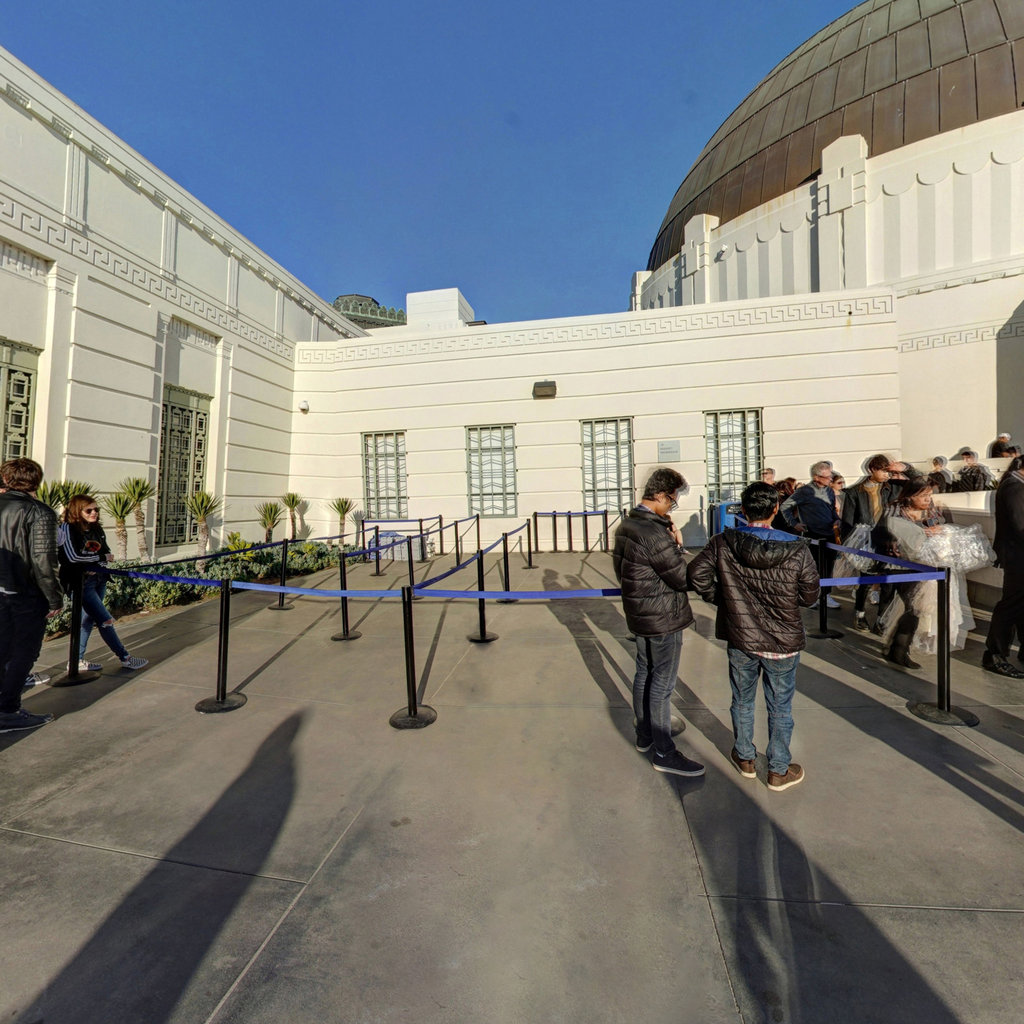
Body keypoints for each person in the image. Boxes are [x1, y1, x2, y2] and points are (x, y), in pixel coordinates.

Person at [687, 482, 819, 791]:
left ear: (743, 510)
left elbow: (696, 574)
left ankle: (745, 757)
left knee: (743, 699)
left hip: (741, 637)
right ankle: (778, 769)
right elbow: (810, 595)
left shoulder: (723, 542)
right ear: (775, 509)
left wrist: (722, 597)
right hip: (782, 641)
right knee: (780, 706)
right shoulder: (797, 547)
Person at [612, 467, 704, 778]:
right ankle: (664, 751)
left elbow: (621, 572)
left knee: (644, 673)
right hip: (663, 616)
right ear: (661, 496)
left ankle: (645, 733)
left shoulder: (627, 525)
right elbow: (681, 578)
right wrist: (678, 545)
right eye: (673, 501)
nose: (672, 507)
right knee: (662, 683)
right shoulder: (655, 533)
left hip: (639, 613)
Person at [0, 458, 62, 732]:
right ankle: (8, 711)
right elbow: (44, 560)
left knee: (3, 650)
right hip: (24, 593)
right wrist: (54, 598)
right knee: (25, 651)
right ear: (37, 480)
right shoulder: (40, 512)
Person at [58, 494, 148, 672]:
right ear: (77, 511)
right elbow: (72, 557)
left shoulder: (96, 529)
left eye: (96, 510)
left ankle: (76, 660)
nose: (94, 513)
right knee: (105, 620)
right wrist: (98, 558)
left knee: (87, 620)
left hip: (99, 579)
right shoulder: (68, 529)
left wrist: (98, 562)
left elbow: (107, 554)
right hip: (81, 583)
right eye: (89, 510)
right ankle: (125, 657)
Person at [874, 481, 945, 669]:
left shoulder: (931, 511)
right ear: (910, 496)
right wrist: (896, 541)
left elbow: (941, 526)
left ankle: (896, 647)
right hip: (899, 566)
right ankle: (898, 650)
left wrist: (935, 531)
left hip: (923, 563)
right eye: (923, 496)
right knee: (913, 607)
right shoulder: (894, 510)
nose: (927, 499)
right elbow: (880, 534)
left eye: (929, 495)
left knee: (914, 608)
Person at [841, 455, 904, 631]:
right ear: (872, 470)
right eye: (884, 470)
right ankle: (859, 613)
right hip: (866, 541)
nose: (887, 474)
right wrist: (848, 548)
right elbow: (847, 522)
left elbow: (920, 483)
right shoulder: (855, 492)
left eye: (889, 471)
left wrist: (904, 469)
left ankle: (881, 620)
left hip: (889, 539)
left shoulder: (892, 488)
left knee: (888, 583)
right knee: (866, 581)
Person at [983, 456, 1024, 678]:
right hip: (1019, 558)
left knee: (1019, 604)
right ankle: (994, 654)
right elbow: (1021, 526)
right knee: (1011, 605)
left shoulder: (1013, 484)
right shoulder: (1015, 487)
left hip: (1017, 556)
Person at [779, 460, 841, 609]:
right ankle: (811, 597)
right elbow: (785, 507)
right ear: (816, 477)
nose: (830, 479)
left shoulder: (829, 491)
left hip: (829, 534)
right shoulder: (804, 491)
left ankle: (825, 595)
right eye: (827, 477)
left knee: (828, 566)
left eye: (831, 475)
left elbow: (832, 509)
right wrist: (794, 524)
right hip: (812, 535)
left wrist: (837, 520)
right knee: (813, 568)